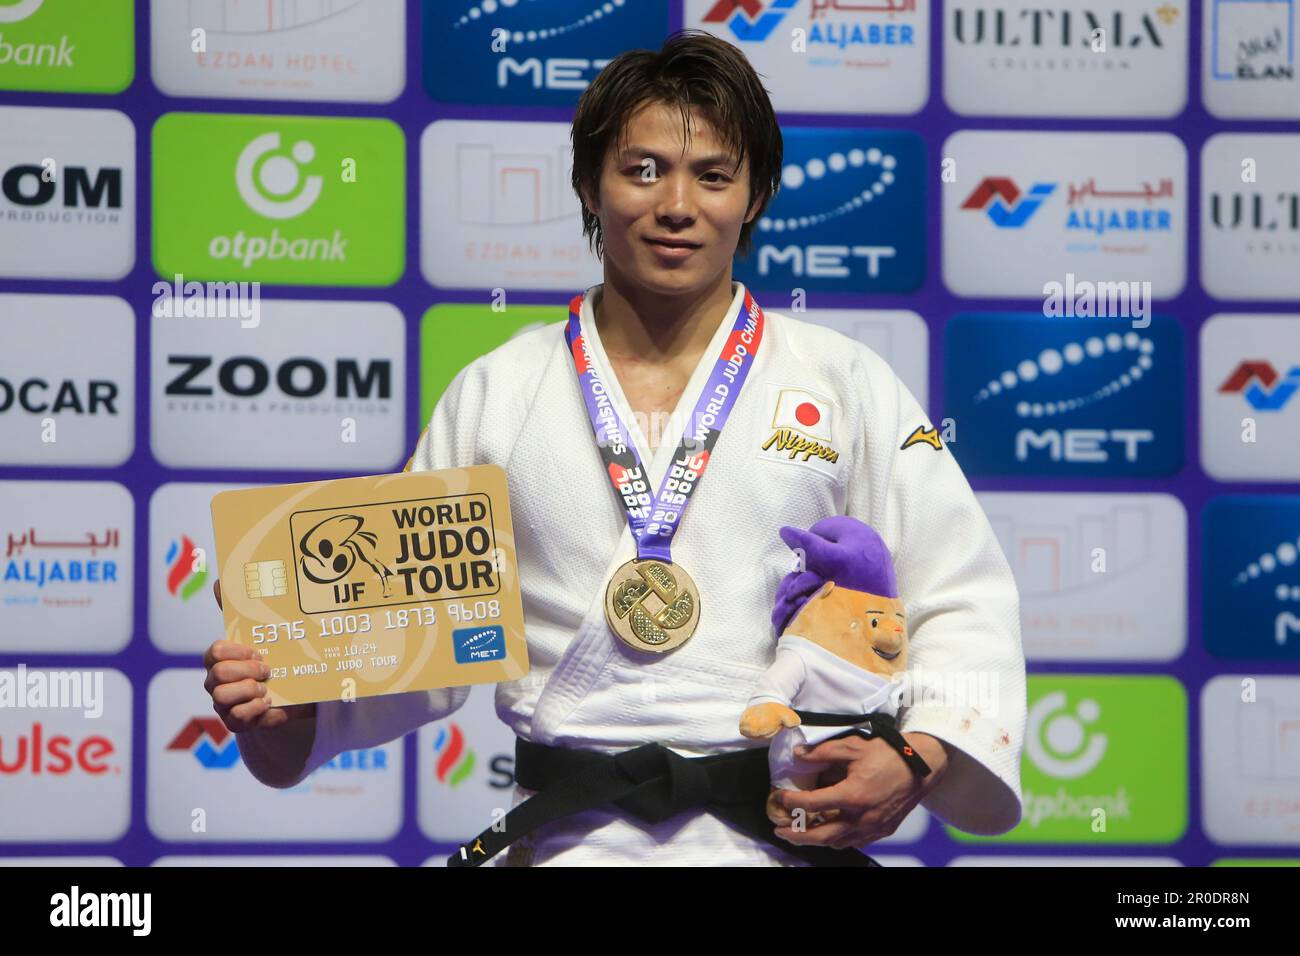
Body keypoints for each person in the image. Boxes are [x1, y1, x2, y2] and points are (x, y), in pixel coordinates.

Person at [203, 29, 1027, 866]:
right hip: (567, 840)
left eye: (714, 175)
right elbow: (420, 635)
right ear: (590, 187)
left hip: (774, 838)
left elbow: (959, 592)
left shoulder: (844, 380)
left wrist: (918, 753)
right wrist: (293, 703)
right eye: (643, 170)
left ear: (755, 197)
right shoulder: (500, 389)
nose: (677, 205)